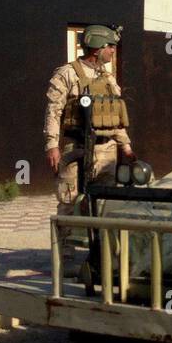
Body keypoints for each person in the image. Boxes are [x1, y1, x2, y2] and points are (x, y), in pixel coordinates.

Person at [43, 25, 133, 265]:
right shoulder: (67, 74)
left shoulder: (108, 78)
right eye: (110, 47)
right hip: (77, 148)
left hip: (107, 152)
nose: (113, 51)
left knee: (105, 204)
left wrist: (125, 146)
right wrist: (52, 144)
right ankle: (64, 256)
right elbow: (53, 111)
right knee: (69, 201)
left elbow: (116, 115)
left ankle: (105, 255)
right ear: (97, 48)